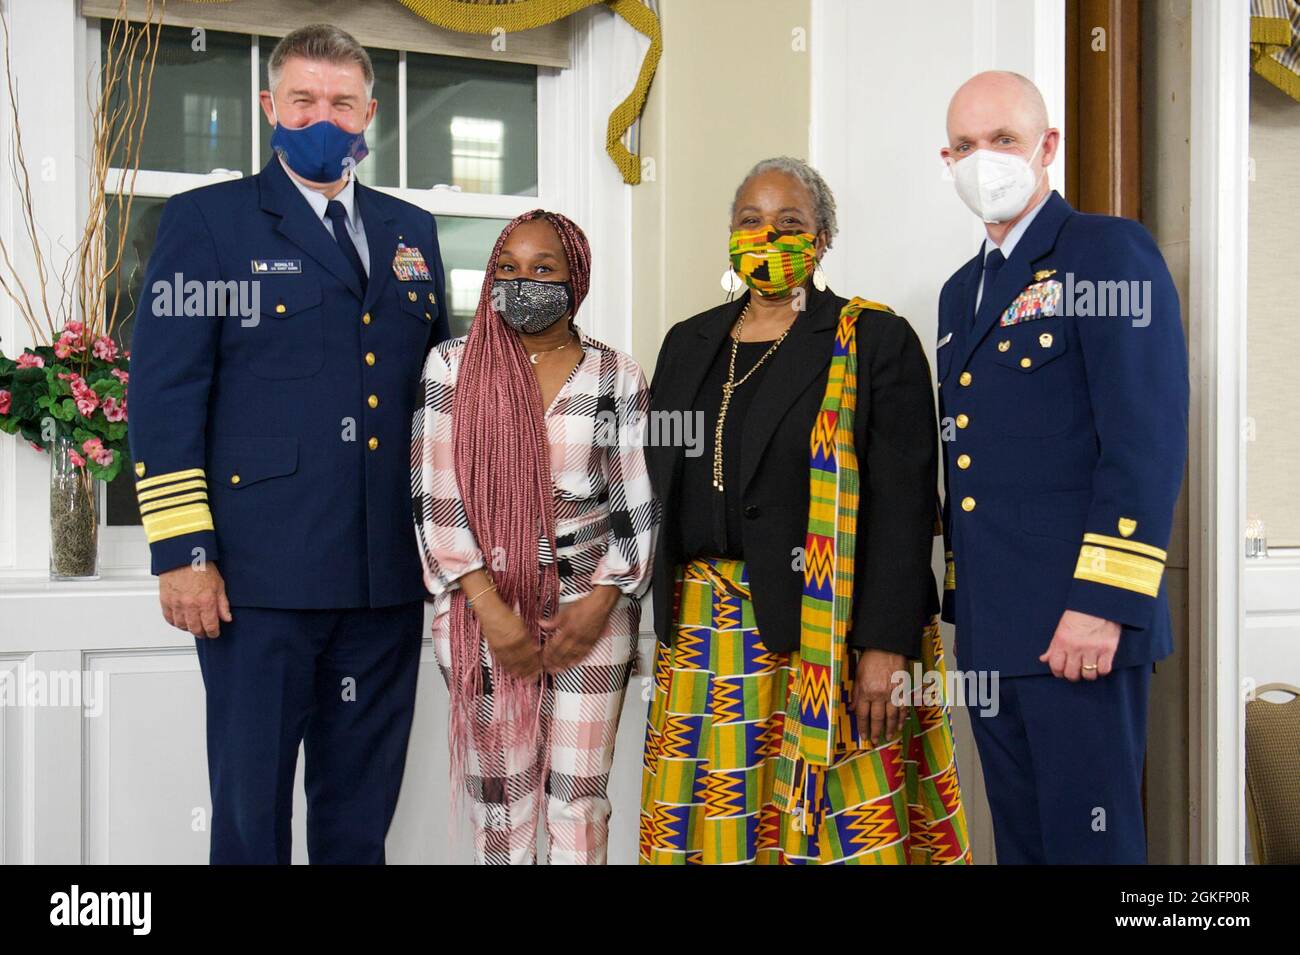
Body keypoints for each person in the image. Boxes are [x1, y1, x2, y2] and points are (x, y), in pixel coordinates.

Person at [128, 24, 449, 864]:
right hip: (254, 584)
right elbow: (164, 394)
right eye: (303, 99)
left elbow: (439, 399)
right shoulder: (208, 223)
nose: (323, 116)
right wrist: (181, 549)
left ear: (369, 112)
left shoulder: (411, 229)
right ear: (269, 105)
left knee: (358, 820)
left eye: (342, 102)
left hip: (383, 580)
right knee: (250, 821)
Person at [638, 156, 972, 865]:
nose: (768, 237)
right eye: (751, 222)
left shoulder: (872, 339)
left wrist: (884, 647)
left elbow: (905, 507)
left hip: (826, 637)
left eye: (790, 224)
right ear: (730, 234)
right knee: (716, 830)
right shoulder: (687, 343)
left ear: (821, 240)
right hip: (701, 636)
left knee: (823, 835)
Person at [937, 71, 1188, 864]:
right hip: (994, 632)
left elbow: (1144, 441)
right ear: (947, 160)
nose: (986, 160)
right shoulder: (957, 293)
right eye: (968, 146)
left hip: (1080, 625)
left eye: (1004, 140)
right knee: (1023, 848)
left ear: (1047, 147)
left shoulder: (1104, 250)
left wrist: (1103, 604)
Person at [413, 209, 657, 865]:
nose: (523, 283)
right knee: (503, 802)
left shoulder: (615, 376)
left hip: (591, 610)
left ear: (574, 279)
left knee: (578, 803)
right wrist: (493, 611)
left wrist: (598, 606)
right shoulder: (453, 367)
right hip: (480, 608)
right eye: (508, 270)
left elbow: (633, 505)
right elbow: (438, 497)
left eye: (542, 270)